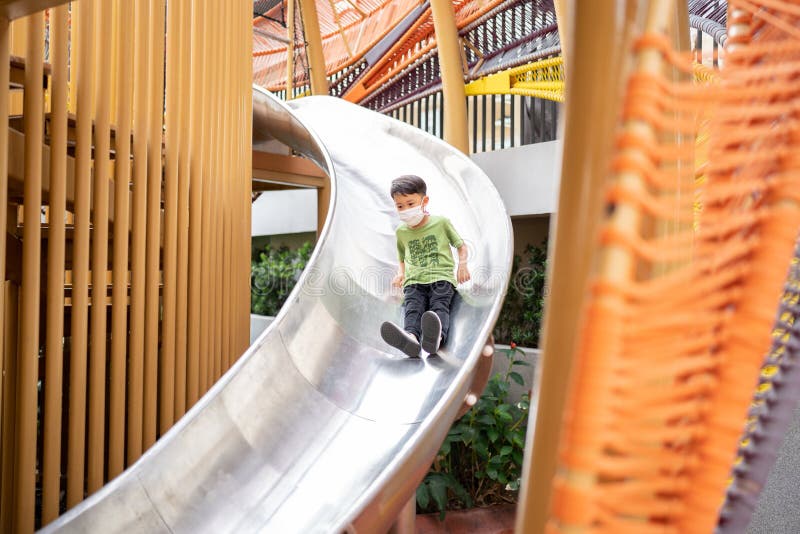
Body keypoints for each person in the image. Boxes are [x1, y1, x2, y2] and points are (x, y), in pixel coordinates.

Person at [381, 175, 471, 357]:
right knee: (413, 308)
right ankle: (411, 338)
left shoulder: (441, 222)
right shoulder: (401, 232)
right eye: (400, 206)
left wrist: (463, 264)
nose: (405, 210)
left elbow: (461, 245)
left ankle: (436, 339)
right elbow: (402, 257)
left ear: (424, 201)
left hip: (441, 277)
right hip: (414, 281)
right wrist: (401, 274)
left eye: (410, 204)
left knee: (439, 307)